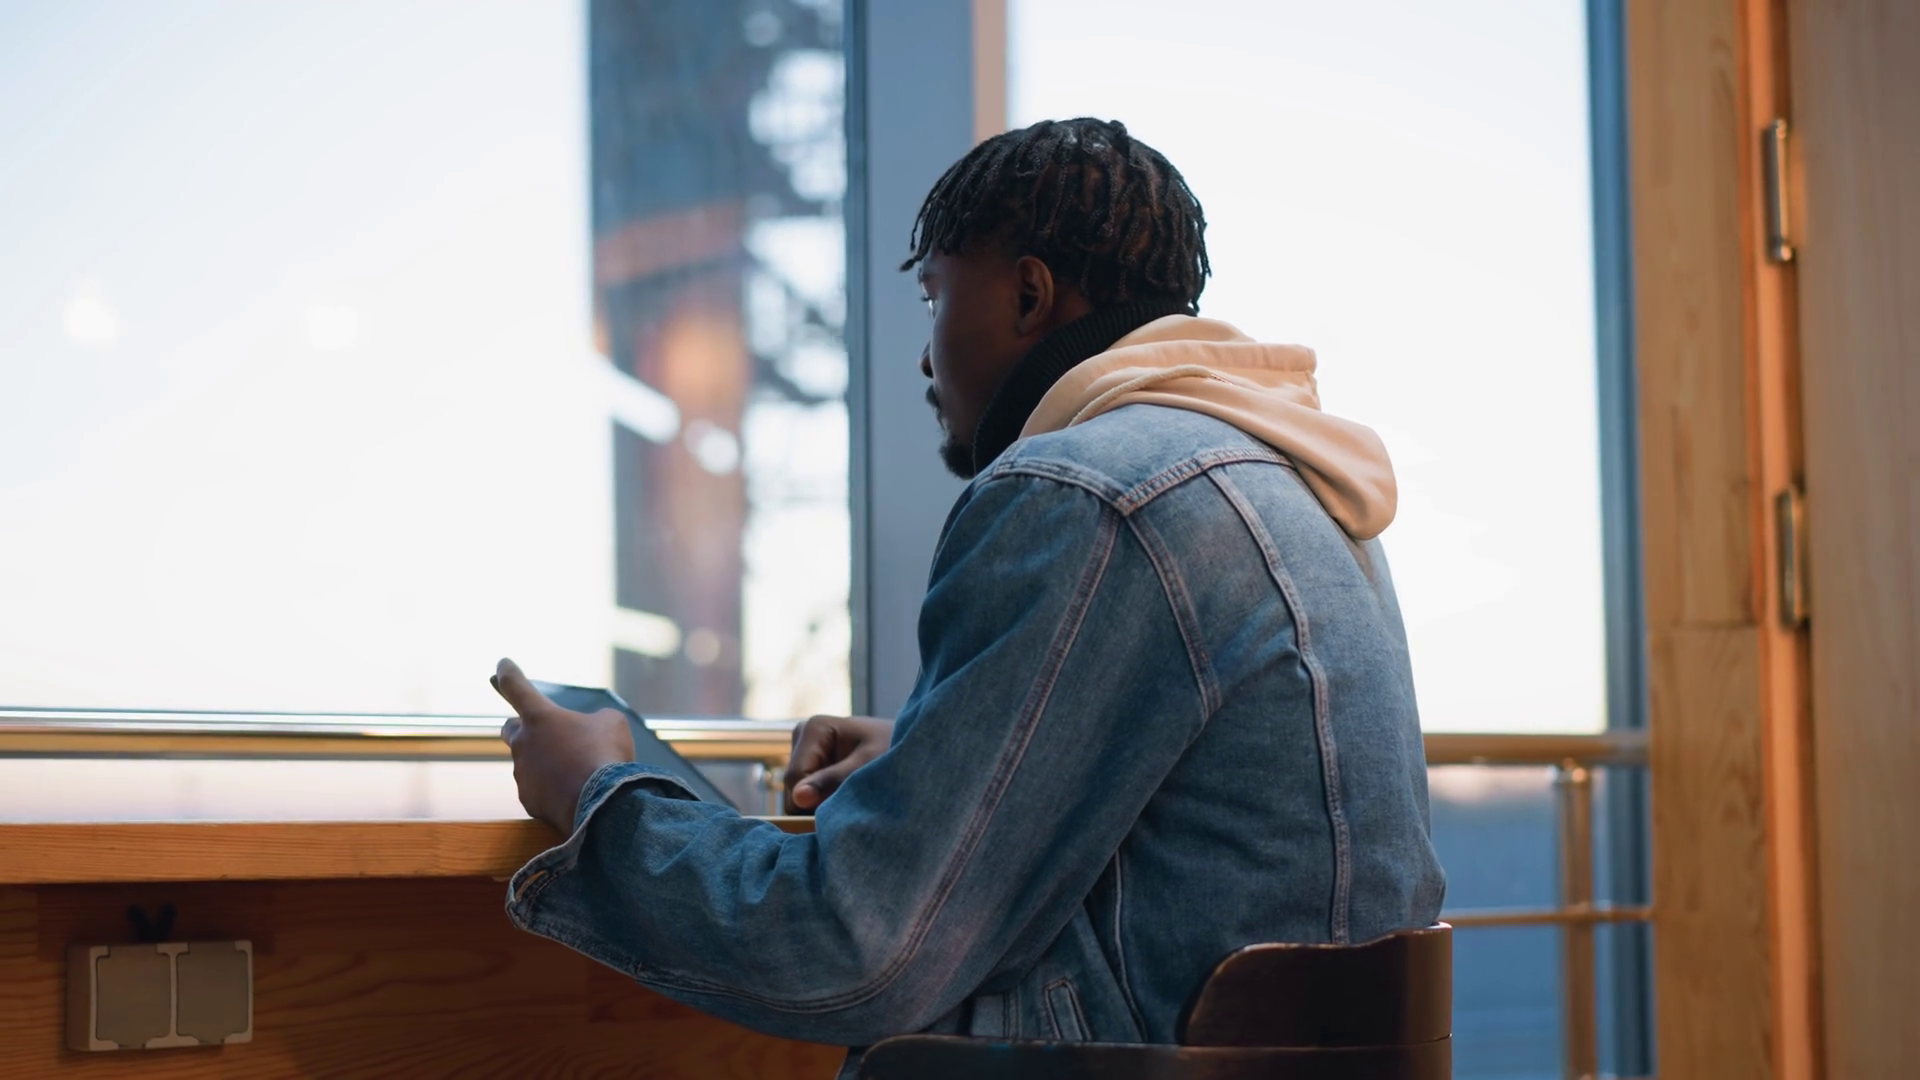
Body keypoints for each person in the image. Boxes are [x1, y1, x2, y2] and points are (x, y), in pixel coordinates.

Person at [493, 117, 1444, 1074]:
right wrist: (929, 752)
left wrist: (599, 798)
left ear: (1029, 294)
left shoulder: (1083, 494)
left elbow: (857, 951)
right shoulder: (1286, 477)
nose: (924, 355)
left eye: (936, 296)